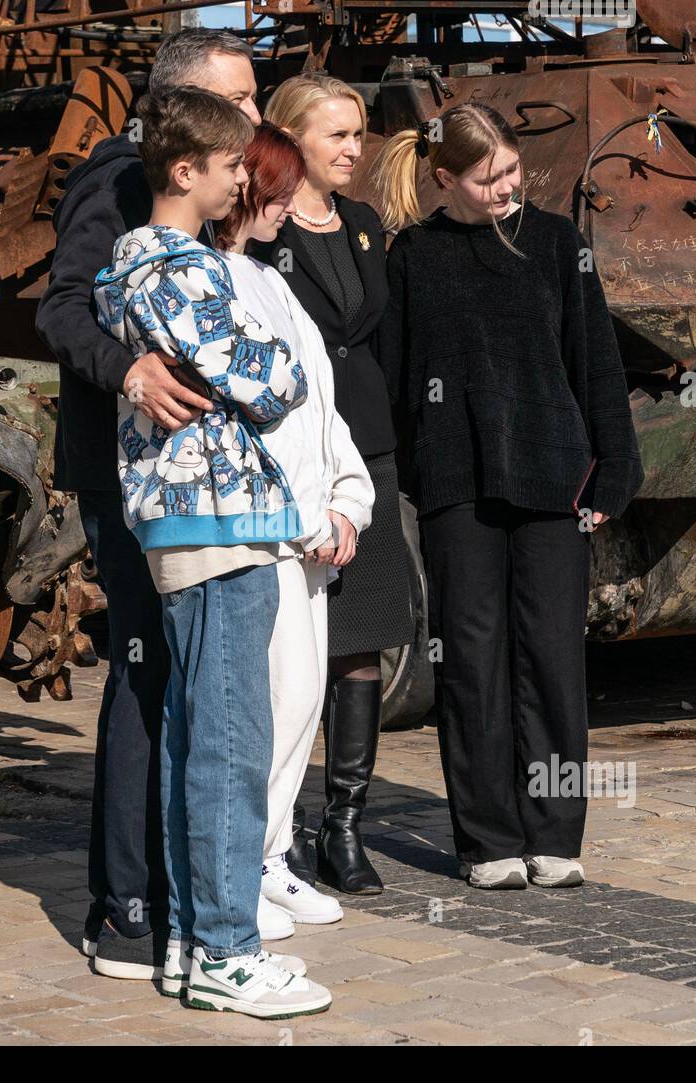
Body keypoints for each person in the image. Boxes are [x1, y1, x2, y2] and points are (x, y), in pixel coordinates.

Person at [93, 87, 333, 1018]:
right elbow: (273, 378)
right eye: (233, 164)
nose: (244, 179)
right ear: (185, 171)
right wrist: (267, 362)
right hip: (220, 521)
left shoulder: (144, 270)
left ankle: (197, 940)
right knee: (231, 745)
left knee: (201, 738)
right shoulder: (175, 269)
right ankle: (230, 951)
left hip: (200, 519)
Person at [34, 29, 261, 981]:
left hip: (177, 477)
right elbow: (61, 306)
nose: (257, 112)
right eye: (241, 98)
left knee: (181, 679)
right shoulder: (119, 180)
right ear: (186, 110)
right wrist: (128, 371)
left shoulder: (198, 195)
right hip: (131, 477)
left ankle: (179, 895)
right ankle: (124, 905)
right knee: (144, 673)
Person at [373, 101, 644, 890]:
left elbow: (596, 364)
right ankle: (488, 840)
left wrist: (612, 473)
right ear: (444, 179)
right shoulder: (412, 258)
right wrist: (419, 478)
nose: (507, 189)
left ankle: (556, 834)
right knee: (471, 664)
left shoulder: (559, 243)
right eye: (489, 179)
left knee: (554, 661)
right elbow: (394, 384)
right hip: (459, 493)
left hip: (556, 486)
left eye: (514, 173)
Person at [254, 73, 415, 896]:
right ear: (291, 140)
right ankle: (270, 835)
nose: (356, 149)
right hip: (296, 454)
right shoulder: (259, 235)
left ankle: (343, 828)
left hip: (368, 455)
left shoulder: (363, 225)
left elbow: (378, 339)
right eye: (338, 135)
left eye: (359, 133)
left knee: (364, 644)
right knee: (294, 655)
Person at [213, 123, 375, 931]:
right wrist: (307, 512)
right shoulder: (218, 281)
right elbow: (249, 423)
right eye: (274, 192)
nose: (286, 206)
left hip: (308, 534)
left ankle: (272, 854)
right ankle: (246, 866)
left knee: (303, 698)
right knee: (264, 706)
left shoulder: (273, 283)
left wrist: (349, 497)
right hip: (264, 535)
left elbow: (320, 408)